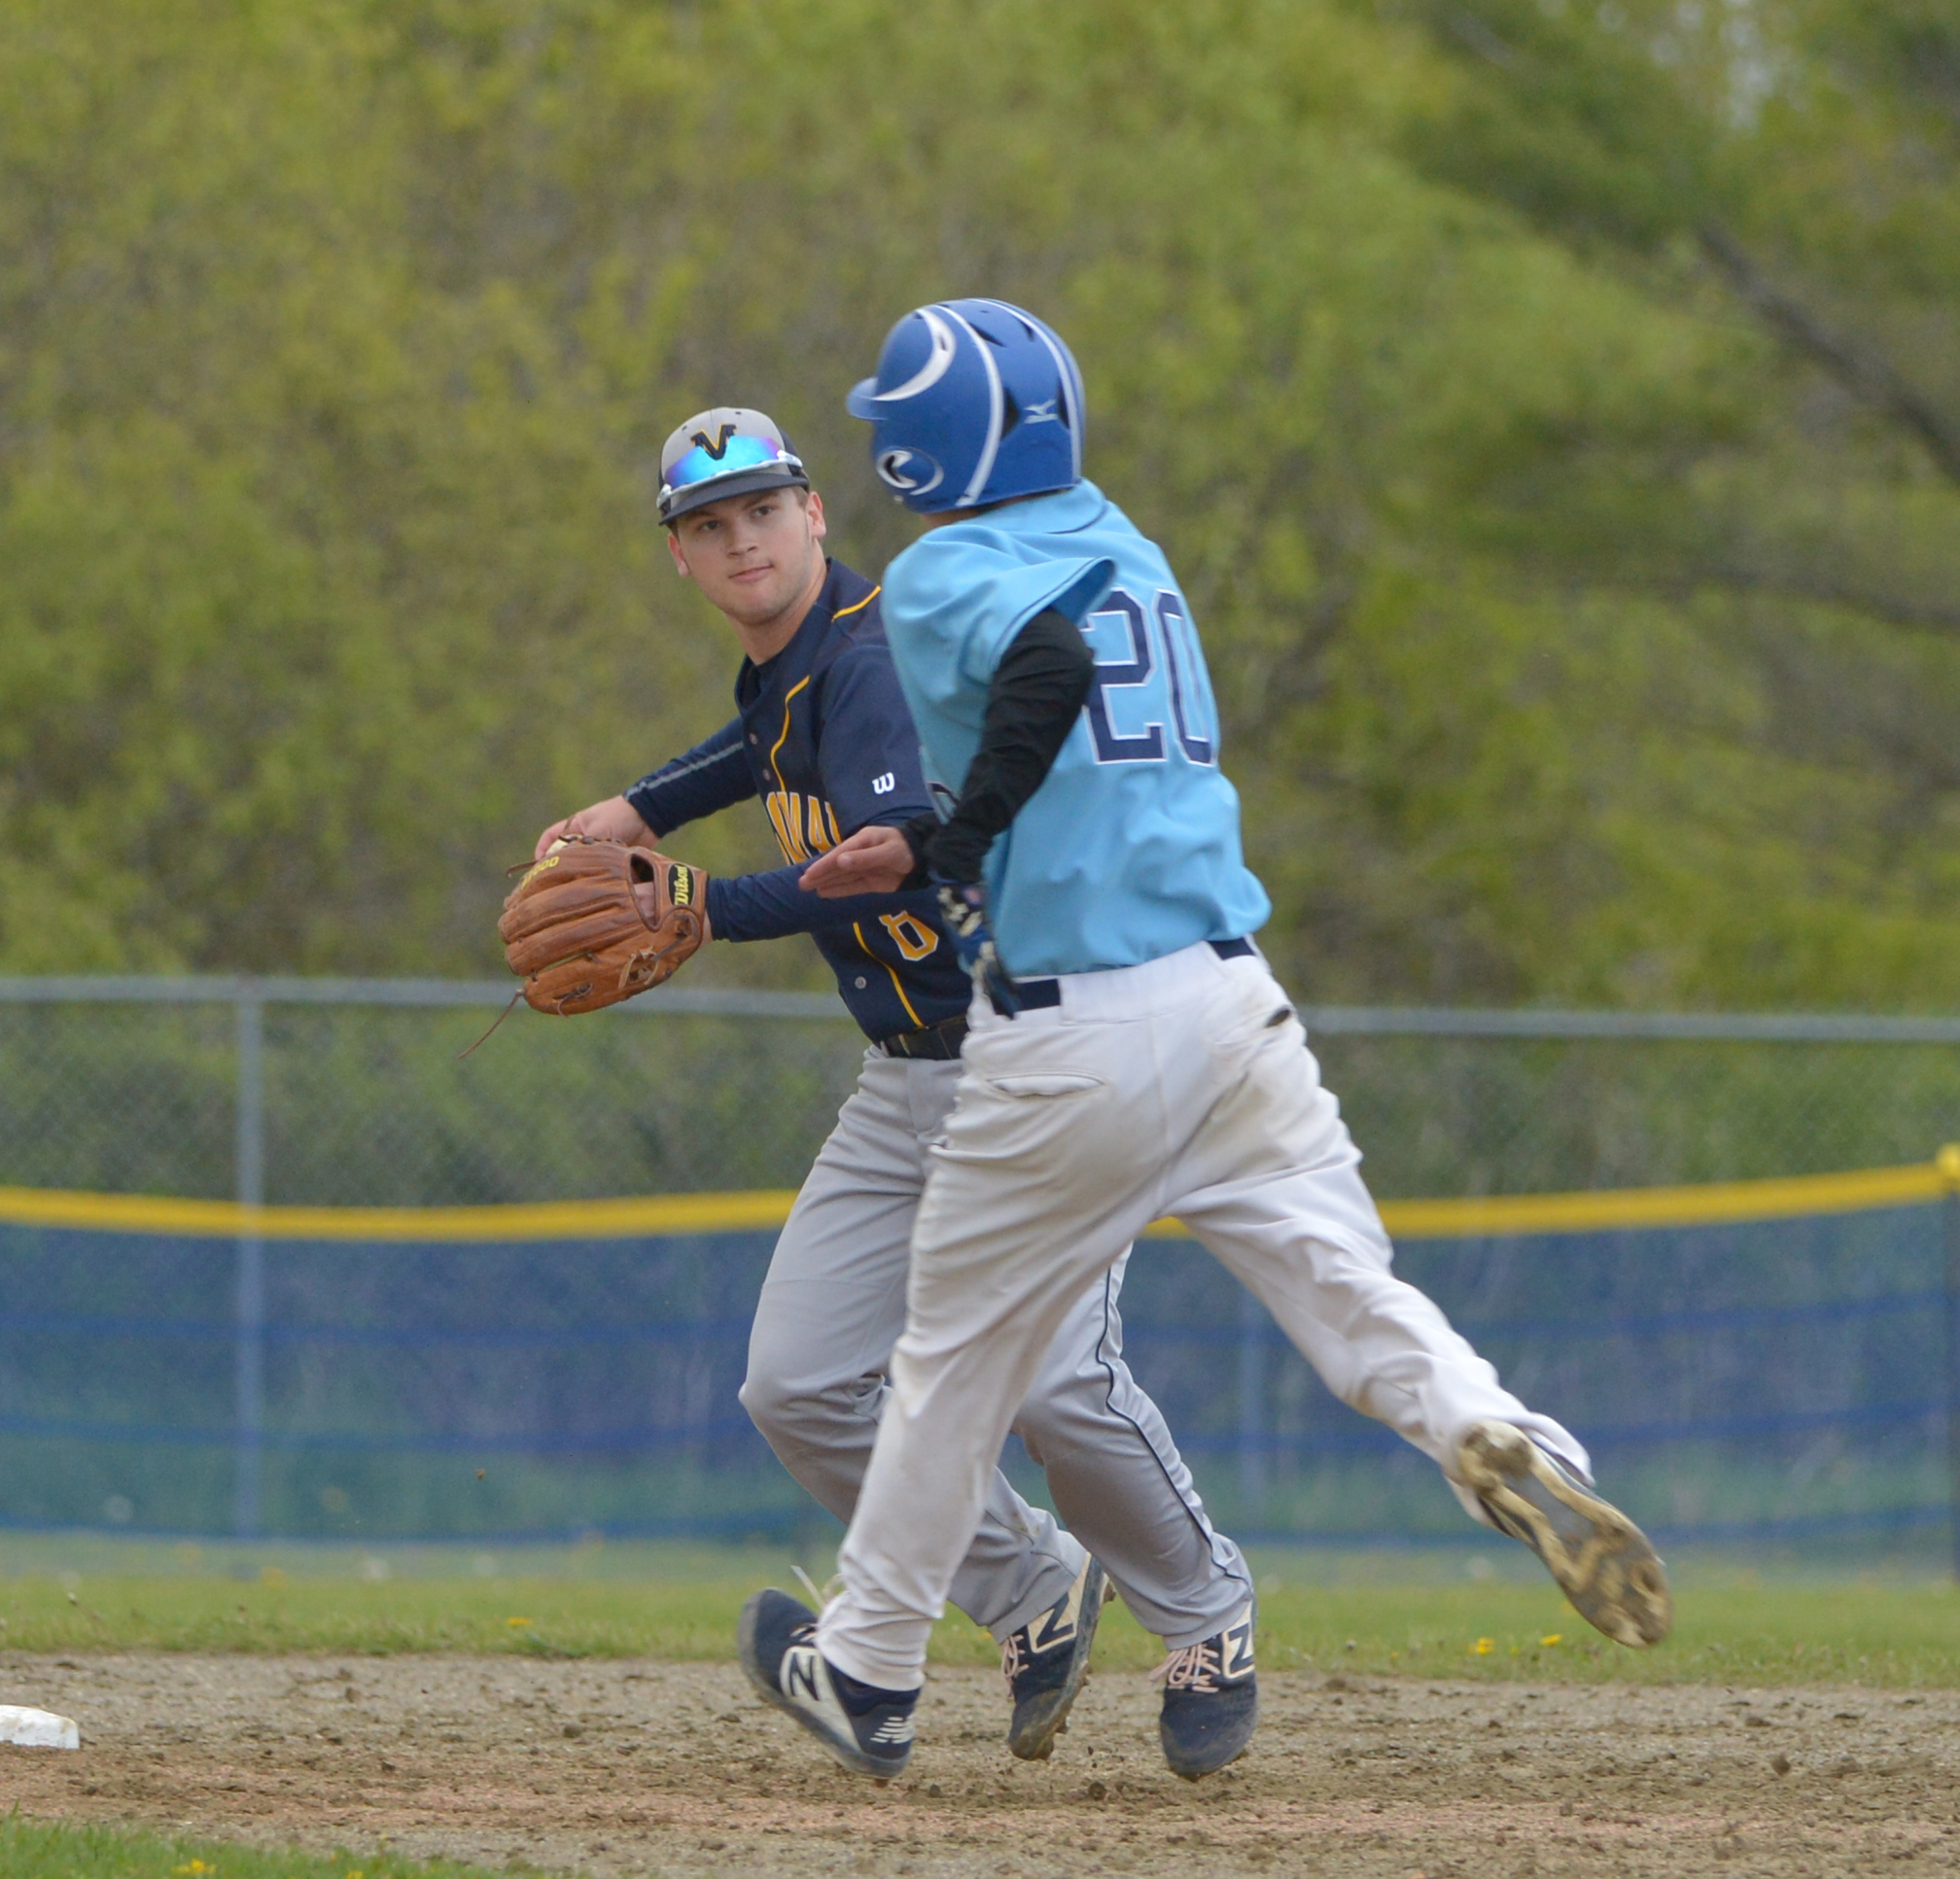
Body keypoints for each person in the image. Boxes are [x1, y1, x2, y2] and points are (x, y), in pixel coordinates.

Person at [739, 300, 1673, 1780]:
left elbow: (1041, 677)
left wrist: (962, 835)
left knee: (953, 1367)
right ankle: (1507, 1440)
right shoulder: (1131, 543)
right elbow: (1083, 719)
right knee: (1353, 1297)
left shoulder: (934, 574)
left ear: (923, 450)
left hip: (1074, 1035)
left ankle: (862, 1672)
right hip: (1236, 1005)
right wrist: (934, 832)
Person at [539, 406, 1261, 1779]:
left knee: (1055, 1381)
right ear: (682, 561)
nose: (740, 538)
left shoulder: (876, 663)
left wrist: (701, 904)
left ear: (817, 518)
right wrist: (642, 811)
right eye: (708, 525)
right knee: (799, 1384)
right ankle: (1036, 1593)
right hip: (910, 1080)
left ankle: (1207, 1614)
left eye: (762, 509)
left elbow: (900, 855)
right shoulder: (802, 669)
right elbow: (764, 747)